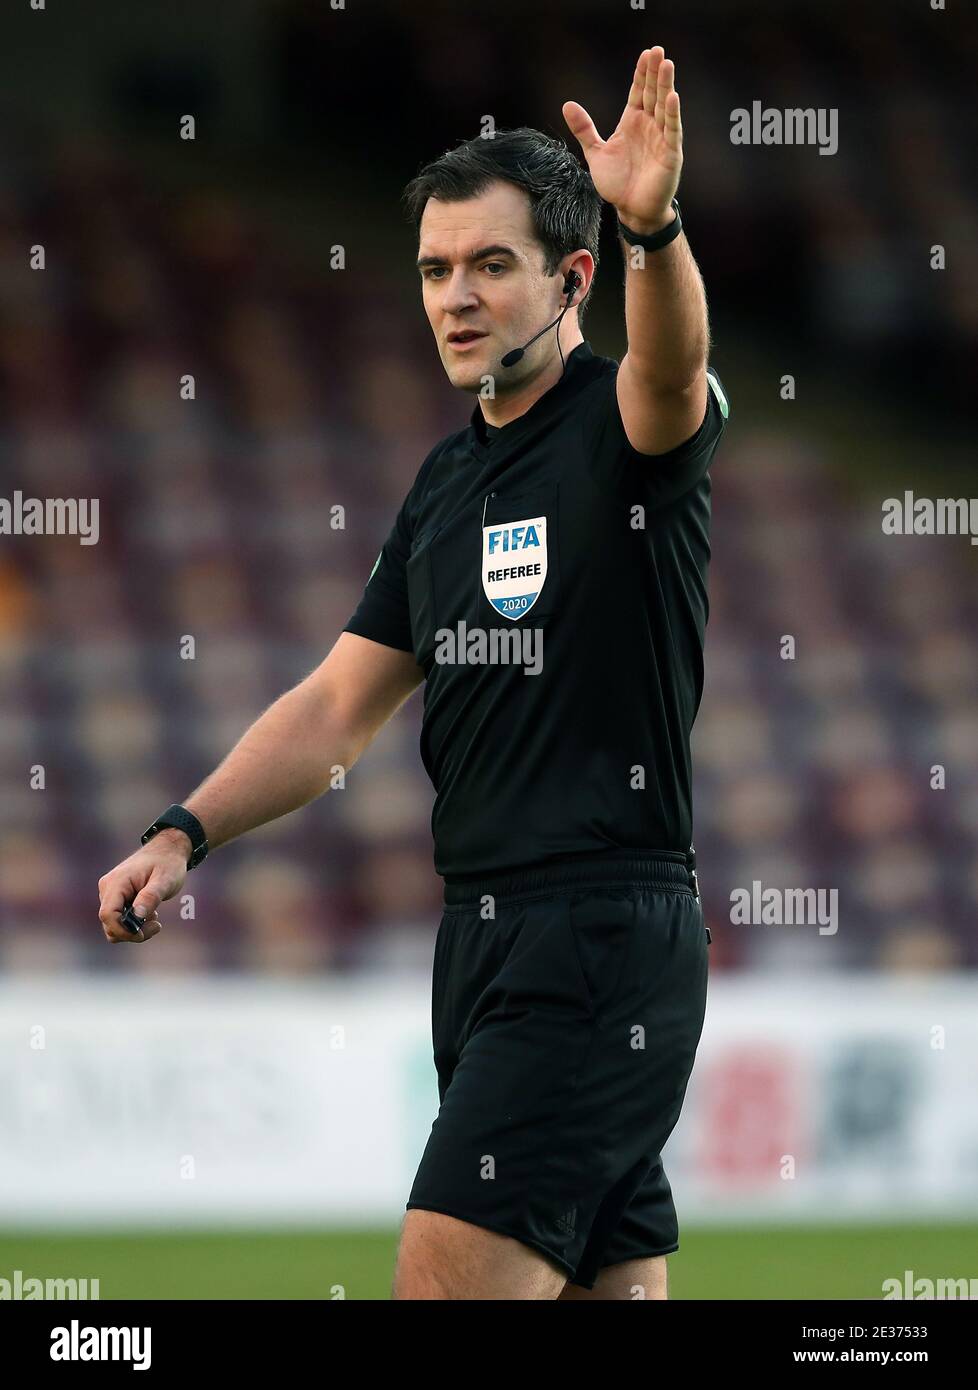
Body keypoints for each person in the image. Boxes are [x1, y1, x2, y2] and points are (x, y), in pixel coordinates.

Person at [97, 46, 729, 1300]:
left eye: (493, 264)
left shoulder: (622, 427)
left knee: (440, 1282)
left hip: (595, 930)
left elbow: (672, 372)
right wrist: (186, 829)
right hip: (487, 939)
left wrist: (654, 226)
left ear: (574, 278)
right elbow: (339, 704)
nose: (455, 295)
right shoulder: (446, 486)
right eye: (436, 269)